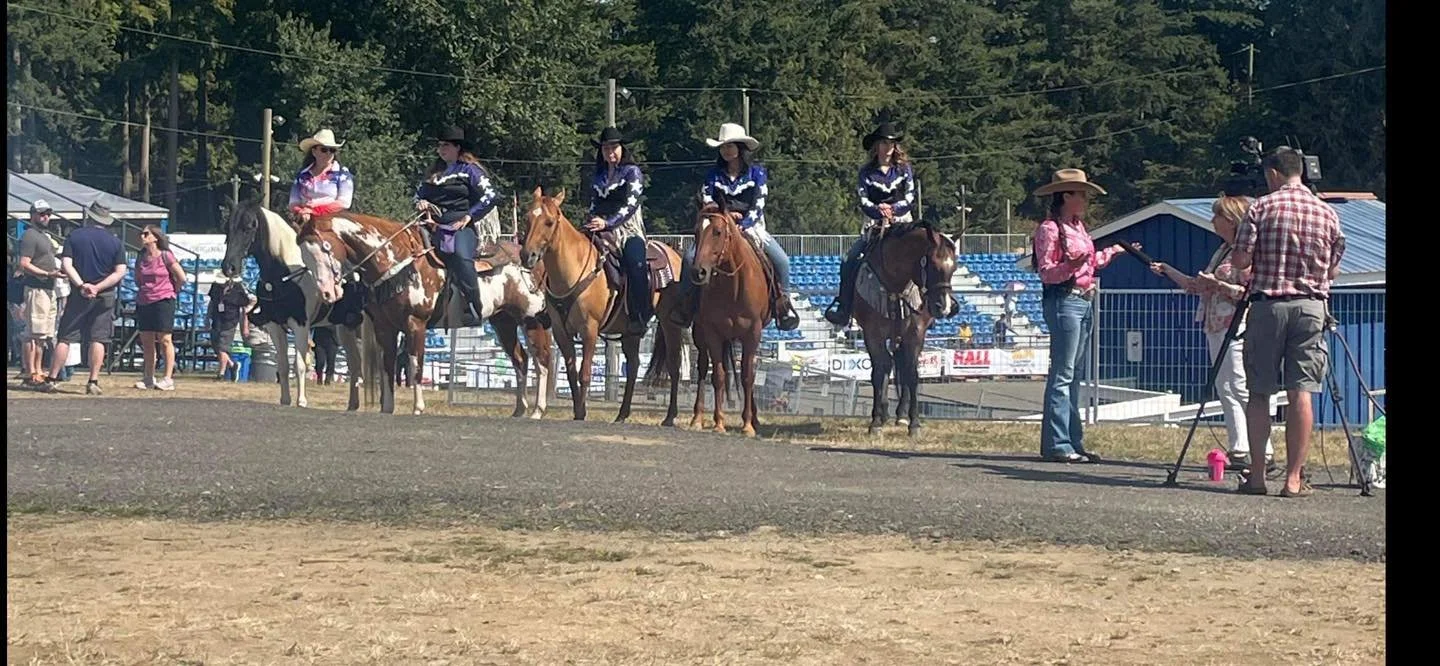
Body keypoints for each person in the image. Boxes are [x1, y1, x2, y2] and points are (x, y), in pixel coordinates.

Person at [1231, 147, 1344, 498]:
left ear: (1273, 174)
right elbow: (1334, 268)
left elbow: (1241, 260)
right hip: (1311, 306)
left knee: (1260, 391)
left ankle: (1258, 476)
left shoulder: (1261, 207)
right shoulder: (1326, 212)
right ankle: (1294, 478)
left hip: (1269, 305)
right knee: (1302, 390)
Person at [1151, 195, 1276, 472]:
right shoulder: (1222, 251)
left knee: (1241, 385)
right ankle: (1239, 447)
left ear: (1231, 220)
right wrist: (1169, 270)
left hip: (1238, 323)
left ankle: (1263, 450)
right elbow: (1196, 285)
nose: (1212, 222)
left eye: (1217, 216)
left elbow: (1248, 291)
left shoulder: (1247, 253)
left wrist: (1217, 284)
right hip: (1215, 324)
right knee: (1226, 387)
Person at [1031, 169, 1138, 463]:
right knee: (1064, 374)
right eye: (1081, 194)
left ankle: (1070, 440)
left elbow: (1088, 263)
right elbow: (1047, 272)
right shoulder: (1050, 229)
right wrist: (1072, 265)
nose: (1085, 199)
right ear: (1067, 195)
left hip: (1083, 300)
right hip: (1065, 299)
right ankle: (1058, 442)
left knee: (1073, 375)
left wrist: (1113, 252)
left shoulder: (1078, 227)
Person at [672, 122, 799, 330]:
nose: (726, 151)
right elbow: (706, 199)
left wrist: (745, 221)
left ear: (740, 148)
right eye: (723, 147)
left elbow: (759, 202)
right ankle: (686, 304)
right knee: (689, 258)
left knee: (782, 260)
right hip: (717, 226)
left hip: (750, 226)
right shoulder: (713, 175)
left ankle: (783, 305)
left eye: (730, 146)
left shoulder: (757, 173)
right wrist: (727, 216)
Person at [825, 121, 917, 326]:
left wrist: (893, 210)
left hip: (902, 223)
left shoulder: (904, 169)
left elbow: (910, 197)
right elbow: (863, 200)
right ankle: (844, 307)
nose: (887, 147)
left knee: (924, 256)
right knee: (849, 260)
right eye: (883, 143)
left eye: (891, 143)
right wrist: (879, 210)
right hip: (875, 225)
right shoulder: (866, 172)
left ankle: (929, 306)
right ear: (876, 146)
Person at [37, 199, 127, 395]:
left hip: (79, 293)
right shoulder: (115, 242)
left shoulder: (74, 237)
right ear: (106, 220)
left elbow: (66, 265)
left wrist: (82, 285)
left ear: (89, 217)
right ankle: (93, 381)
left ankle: (52, 378)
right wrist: (97, 287)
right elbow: (120, 272)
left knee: (66, 337)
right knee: (98, 338)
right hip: (105, 294)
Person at [415, 126, 500, 327]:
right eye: (439, 146)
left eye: (445, 145)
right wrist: (420, 203)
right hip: (429, 224)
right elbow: (418, 194)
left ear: (457, 148)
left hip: (460, 226)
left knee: (461, 257)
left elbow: (491, 196)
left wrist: (469, 216)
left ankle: (473, 306)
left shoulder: (470, 171)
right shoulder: (433, 173)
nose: (441, 149)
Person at [582, 126, 651, 335]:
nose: (610, 153)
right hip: (599, 225)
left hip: (627, 228)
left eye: (613, 148)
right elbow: (594, 202)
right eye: (605, 149)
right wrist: (592, 219)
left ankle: (640, 314)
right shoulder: (599, 175)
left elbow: (630, 206)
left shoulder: (632, 172)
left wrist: (608, 223)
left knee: (635, 261)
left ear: (621, 149)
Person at [131, 225, 186, 390]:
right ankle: (148, 377)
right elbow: (137, 278)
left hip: (164, 300)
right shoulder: (141, 257)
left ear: (155, 237)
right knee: (147, 341)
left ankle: (168, 377)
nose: (142, 236)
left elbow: (181, 276)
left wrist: (173, 289)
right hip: (144, 300)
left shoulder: (166, 256)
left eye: (146, 234)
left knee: (165, 339)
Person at [16, 199, 63, 387]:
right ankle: (30, 372)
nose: (45, 217)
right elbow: (24, 263)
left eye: (48, 213)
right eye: (41, 213)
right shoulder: (29, 235)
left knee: (43, 335)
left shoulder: (44, 235)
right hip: (36, 288)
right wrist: (47, 273)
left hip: (48, 288)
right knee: (33, 332)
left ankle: (38, 370)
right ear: (33, 215)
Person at [288, 129, 355, 227]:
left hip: (333, 222)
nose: (328, 153)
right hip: (303, 221)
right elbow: (293, 202)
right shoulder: (302, 175)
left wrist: (313, 211)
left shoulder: (342, 174)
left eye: (332, 150)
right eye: (324, 150)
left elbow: (344, 203)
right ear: (314, 152)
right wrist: (302, 212)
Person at [207, 277, 256, 380]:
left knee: (222, 347)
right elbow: (212, 302)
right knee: (216, 345)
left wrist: (245, 326)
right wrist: (207, 318)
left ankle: (221, 373)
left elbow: (245, 306)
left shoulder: (238, 289)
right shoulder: (216, 288)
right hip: (217, 319)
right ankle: (232, 365)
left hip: (230, 321)